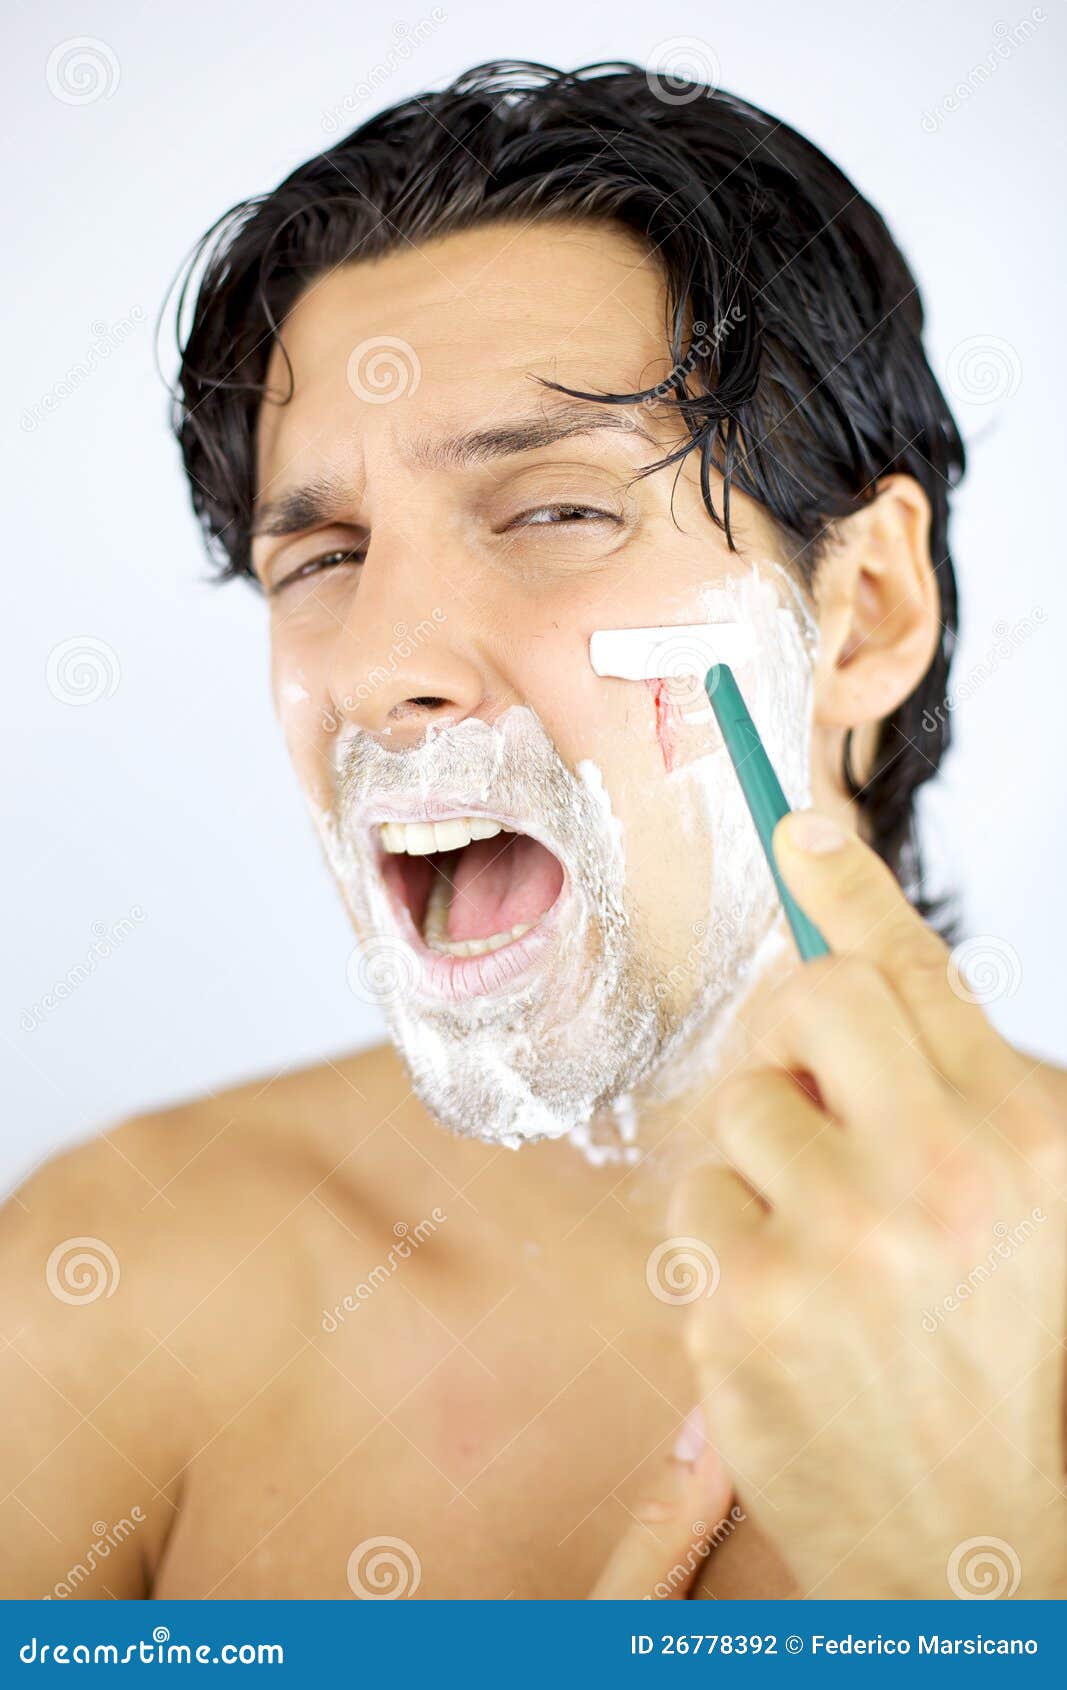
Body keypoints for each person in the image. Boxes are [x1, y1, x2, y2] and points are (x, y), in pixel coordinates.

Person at [2, 62, 1063, 1601]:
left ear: (868, 609)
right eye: (323, 556)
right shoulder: (103, 1290)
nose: (380, 667)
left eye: (554, 511)